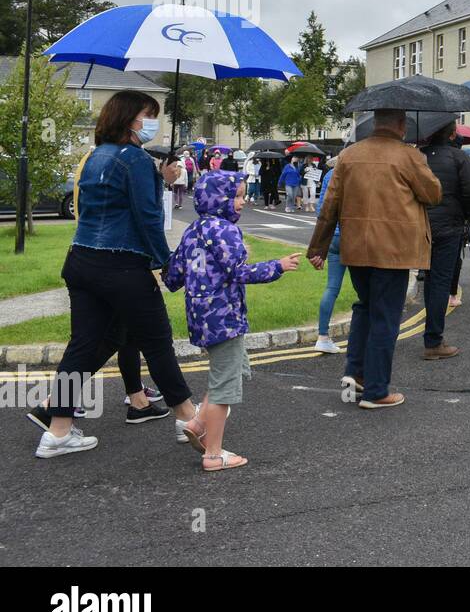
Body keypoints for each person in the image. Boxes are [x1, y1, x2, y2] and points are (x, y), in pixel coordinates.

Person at [28, 90, 200, 458]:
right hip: (122, 266)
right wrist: (165, 261)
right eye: (148, 115)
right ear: (129, 120)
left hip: (82, 261)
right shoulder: (135, 159)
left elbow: (112, 202)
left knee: (85, 344)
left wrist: (160, 177)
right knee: (156, 341)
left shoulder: (95, 156)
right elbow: (147, 217)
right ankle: (188, 418)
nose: (153, 123)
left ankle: (57, 432)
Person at [165, 171, 300, 471]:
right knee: (225, 383)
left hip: (200, 316)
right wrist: (277, 266)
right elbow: (240, 272)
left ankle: (199, 422)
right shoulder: (224, 230)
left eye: (241, 195)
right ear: (218, 198)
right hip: (224, 316)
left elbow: (173, 276)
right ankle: (213, 454)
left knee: (231, 369)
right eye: (236, 196)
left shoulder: (193, 229)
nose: (241, 202)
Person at [308, 108, 442, 409]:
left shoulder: (348, 156)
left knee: (365, 306)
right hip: (393, 250)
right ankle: (377, 391)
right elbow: (433, 194)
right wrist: (421, 162)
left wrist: (318, 248)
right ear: (400, 126)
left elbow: (330, 204)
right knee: (386, 315)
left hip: (355, 247)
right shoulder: (408, 156)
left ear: (375, 125)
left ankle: (356, 373)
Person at [419, 118, 470, 360]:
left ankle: (430, 335)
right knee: (441, 282)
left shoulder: (418, 156)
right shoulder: (459, 158)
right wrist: (464, 215)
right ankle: (433, 341)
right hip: (449, 226)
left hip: (422, 225)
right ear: (452, 135)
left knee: (429, 279)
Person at [314, 155, 345, 354]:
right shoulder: (357, 173)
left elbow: (321, 210)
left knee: (332, 287)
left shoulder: (329, 175)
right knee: (367, 290)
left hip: (332, 237)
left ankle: (323, 336)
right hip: (352, 236)